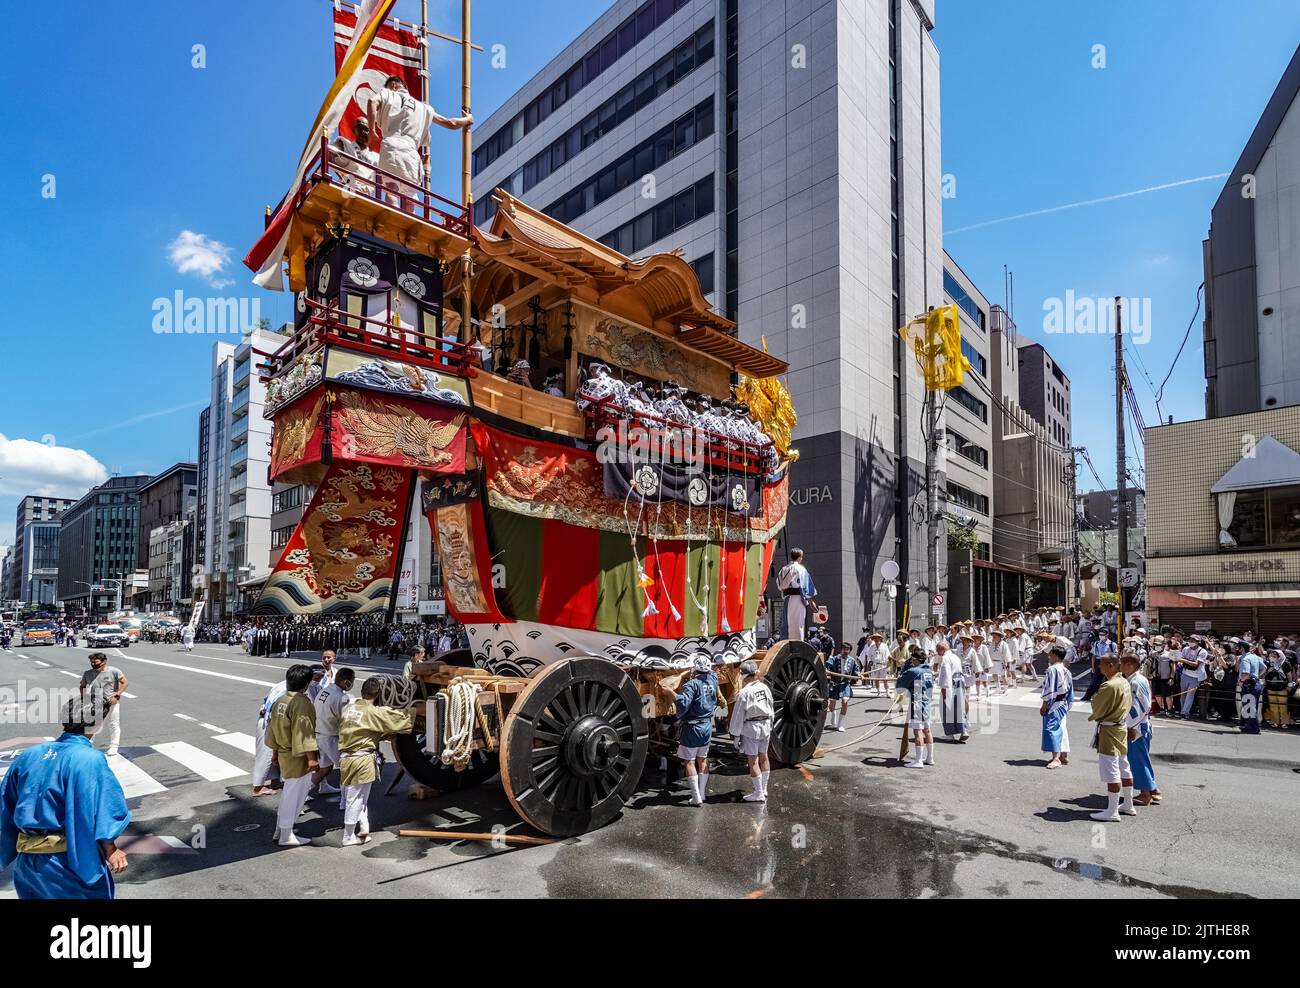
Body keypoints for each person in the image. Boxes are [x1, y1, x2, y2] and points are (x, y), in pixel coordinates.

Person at [0, 699, 131, 899]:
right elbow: (106, 808)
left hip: (28, 863)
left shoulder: (28, 756)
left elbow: (5, 808)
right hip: (68, 861)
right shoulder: (89, 758)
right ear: (98, 724)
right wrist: (110, 847)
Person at [367, 75, 473, 212]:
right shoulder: (424, 108)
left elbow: (372, 101)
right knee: (410, 197)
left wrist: (372, 131)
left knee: (391, 189)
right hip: (412, 152)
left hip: (391, 144)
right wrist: (468, 119)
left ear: (393, 85)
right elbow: (450, 123)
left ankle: (392, 222)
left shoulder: (387, 93)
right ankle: (408, 227)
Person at [338, 677, 418, 845]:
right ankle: (348, 836)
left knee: (357, 796)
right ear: (378, 696)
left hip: (345, 757)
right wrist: (417, 709)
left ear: (362, 692)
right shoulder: (374, 712)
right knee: (357, 798)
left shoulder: (348, 707)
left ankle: (364, 828)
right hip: (361, 759)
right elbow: (400, 719)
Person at [265, 664, 319, 847]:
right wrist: (312, 758)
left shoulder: (281, 699)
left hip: (282, 750)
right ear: (306, 684)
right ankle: (286, 834)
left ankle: (281, 829)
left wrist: (273, 753)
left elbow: (271, 728)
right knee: (295, 794)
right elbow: (304, 733)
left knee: (289, 792)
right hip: (297, 755)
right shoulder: (301, 703)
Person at [1087, 653, 1134, 822]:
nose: (1100, 667)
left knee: (1111, 769)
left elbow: (1097, 705)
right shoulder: (1124, 681)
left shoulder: (1110, 685)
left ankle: (1112, 810)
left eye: (1102, 665)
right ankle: (1128, 803)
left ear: (1112, 665)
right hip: (1121, 726)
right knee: (1123, 765)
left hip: (1109, 728)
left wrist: (1094, 701)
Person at [674, 655, 719, 805]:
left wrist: (671, 693)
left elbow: (683, 702)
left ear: (695, 669)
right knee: (703, 760)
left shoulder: (692, 685)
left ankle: (696, 797)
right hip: (706, 726)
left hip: (692, 728)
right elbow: (712, 673)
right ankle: (702, 794)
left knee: (689, 762)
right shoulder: (713, 680)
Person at [728, 660, 774, 802]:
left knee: (753, 760)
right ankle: (764, 788)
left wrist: (735, 734)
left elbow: (738, 716)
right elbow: (771, 706)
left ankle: (758, 793)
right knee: (764, 756)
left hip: (751, 728)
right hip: (766, 725)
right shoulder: (765, 688)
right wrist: (771, 724)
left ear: (745, 676)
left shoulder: (744, 692)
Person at [1121, 652, 1160, 806]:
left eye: (1122, 663)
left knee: (1138, 760)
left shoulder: (1134, 682)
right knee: (1142, 759)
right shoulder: (1140, 679)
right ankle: (1153, 789)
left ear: (1130, 665)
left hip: (1137, 727)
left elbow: (1137, 708)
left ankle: (1145, 794)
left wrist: (1130, 727)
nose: (1120, 666)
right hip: (1142, 725)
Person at [311, 667, 355, 805]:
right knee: (346, 768)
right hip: (330, 736)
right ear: (346, 682)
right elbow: (345, 720)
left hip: (318, 733)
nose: (352, 684)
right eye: (352, 681)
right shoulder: (341, 698)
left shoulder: (324, 691)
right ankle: (345, 800)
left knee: (325, 767)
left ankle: (307, 790)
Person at [79, 651, 127, 758]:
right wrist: (84, 697)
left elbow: (125, 682)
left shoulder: (114, 671)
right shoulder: (88, 673)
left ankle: (114, 746)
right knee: (91, 725)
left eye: (95, 662)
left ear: (103, 661)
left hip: (111, 702)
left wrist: (117, 694)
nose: (93, 664)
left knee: (113, 723)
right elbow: (82, 686)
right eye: (91, 662)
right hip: (93, 703)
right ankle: (88, 745)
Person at [896, 648, 934, 767]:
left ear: (916, 659)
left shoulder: (914, 671)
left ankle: (918, 761)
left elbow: (900, 684)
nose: (911, 661)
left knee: (917, 731)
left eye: (912, 658)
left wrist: (901, 681)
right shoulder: (929, 671)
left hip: (917, 702)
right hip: (927, 702)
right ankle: (929, 758)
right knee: (927, 730)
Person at [252, 676, 288, 796]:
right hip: (268, 724)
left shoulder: (280, 685)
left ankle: (275, 781)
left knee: (274, 754)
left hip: (268, 720)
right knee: (266, 755)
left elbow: (265, 700)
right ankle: (258, 787)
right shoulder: (286, 691)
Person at [1040, 644, 1074, 768]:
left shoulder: (1052, 669)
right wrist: (1069, 703)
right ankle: (1063, 755)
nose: (1048, 656)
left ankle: (1056, 758)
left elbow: (1048, 689)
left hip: (1054, 703)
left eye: (1050, 654)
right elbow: (1071, 690)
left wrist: (1045, 704)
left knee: (1052, 728)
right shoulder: (1066, 670)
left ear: (1054, 656)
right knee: (1061, 728)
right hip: (1063, 703)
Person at [330, 116, 379, 194]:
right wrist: (342, 176)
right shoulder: (345, 145)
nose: (363, 131)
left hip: (364, 193)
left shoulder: (376, 157)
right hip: (346, 187)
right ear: (354, 130)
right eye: (359, 128)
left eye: (366, 129)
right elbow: (329, 154)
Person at [776, 548, 816, 643]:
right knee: (798, 624)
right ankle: (797, 645)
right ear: (800, 557)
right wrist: (811, 602)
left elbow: (779, 585)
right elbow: (806, 586)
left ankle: (785, 644)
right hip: (798, 598)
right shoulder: (801, 569)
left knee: (787, 623)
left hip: (787, 598)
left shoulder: (783, 569)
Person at [935, 640, 969, 743]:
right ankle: (964, 730)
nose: (937, 652)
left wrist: (944, 689)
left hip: (951, 682)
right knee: (960, 707)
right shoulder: (955, 657)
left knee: (947, 708)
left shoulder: (945, 658)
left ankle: (950, 734)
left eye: (937, 650)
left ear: (942, 649)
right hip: (960, 682)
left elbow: (945, 674)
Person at [825, 642, 860, 732]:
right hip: (834, 683)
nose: (846, 651)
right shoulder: (835, 659)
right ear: (841, 650)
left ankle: (839, 725)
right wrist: (826, 669)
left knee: (845, 702)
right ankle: (833, 713)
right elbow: (827, 666)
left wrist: (859, 675)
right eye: (844, 649)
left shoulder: (852, 660)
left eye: (847, 649)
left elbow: (856, 671)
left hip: (845, 684)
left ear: (849, 651)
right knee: (831, 705)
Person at [1176, 636, 1208, 719]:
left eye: (1193, 640)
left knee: (1190, 695)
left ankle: (1185, 713)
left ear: (1198, 642)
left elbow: (1196, 664)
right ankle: (1183, 710)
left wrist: (1184, 661)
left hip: (1195, 676)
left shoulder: (1203, 651)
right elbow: (1180, 659)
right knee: (1183, 694)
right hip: (1185, 674)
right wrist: (1180, 662)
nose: (1191, 642)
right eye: (1190, 640)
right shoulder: (1185, 649)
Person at [1237, 646, 1265, 735]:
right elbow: (1264, 668)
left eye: (1239, 647)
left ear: (1242, 648)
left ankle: (1253, 727)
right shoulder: (1255, 657)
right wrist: (1256, 676)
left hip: (1249, 684)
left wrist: (1241, 681)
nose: (1237, 648)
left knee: (1249, 706)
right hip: (1255, 683)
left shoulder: (1245, 658)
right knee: (1252, 706)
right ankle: (1249, 726)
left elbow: (1246, 673)